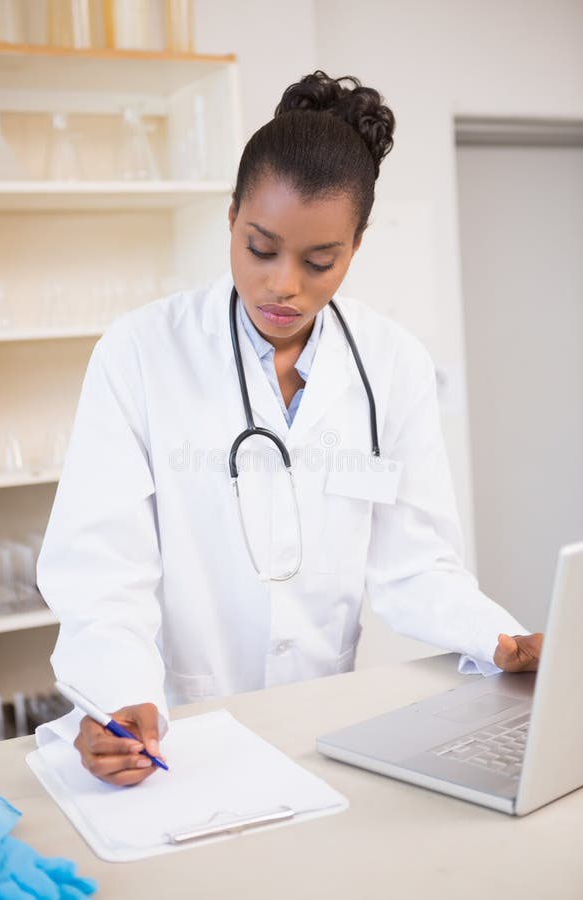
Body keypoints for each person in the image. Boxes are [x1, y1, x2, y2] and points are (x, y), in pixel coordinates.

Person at [36, 71, 542, 787]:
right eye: (261, 247)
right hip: (175, 728)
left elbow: (416, 562)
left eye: (319, 261)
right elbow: (102, 569)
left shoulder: (392, 363)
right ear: (232, 217)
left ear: (356, 245)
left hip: (320, 727)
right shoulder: (141, 351)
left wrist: (497, 638)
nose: (284, 285)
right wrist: (118, 695)